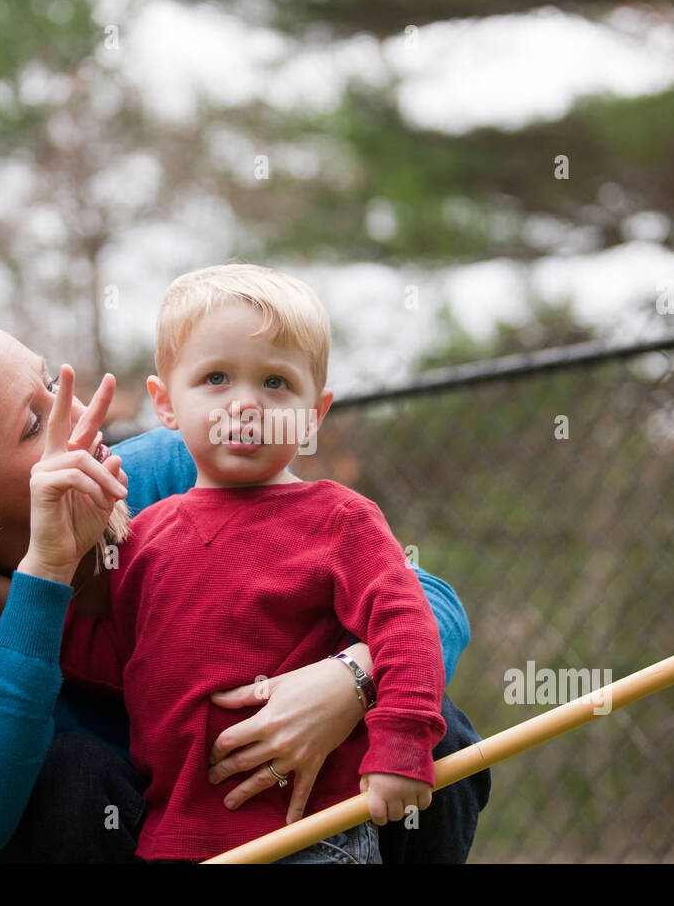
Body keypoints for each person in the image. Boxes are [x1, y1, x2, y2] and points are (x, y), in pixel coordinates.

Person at [0, 309, 490, 863]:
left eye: (53, 382)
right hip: (153, 840)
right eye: (34, 423)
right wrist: (45, 575)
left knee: (438, 729)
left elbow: (429, 603)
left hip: (300, 823)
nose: (81, 414)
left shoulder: (174, 473)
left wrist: (349, 681)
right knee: (65, 780)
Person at [60, 264, 446, 862]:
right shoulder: (139, 539)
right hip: (174, 841)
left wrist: (402, 743)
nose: (245, 404)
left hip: (313, 834)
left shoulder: (340, 519)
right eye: (215, 378)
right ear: (165, 403)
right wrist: (28, 599)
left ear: (314, 414)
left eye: (275, 383)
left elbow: (406, 624)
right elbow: (124, 662)